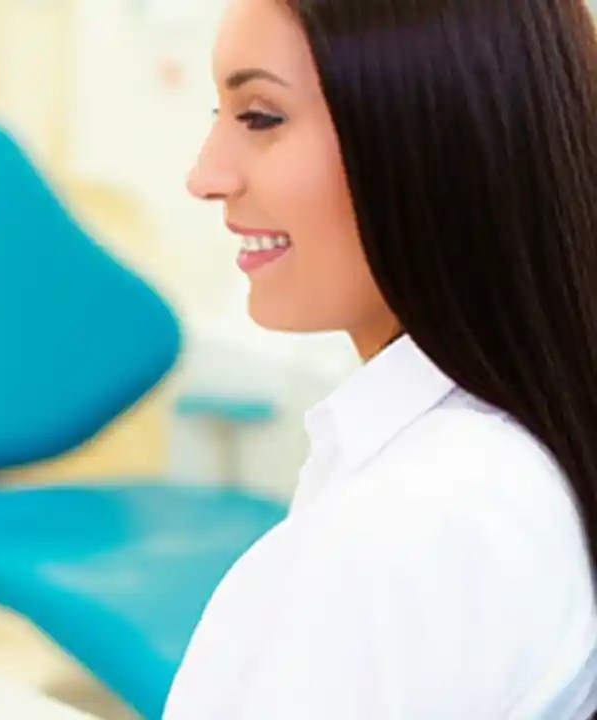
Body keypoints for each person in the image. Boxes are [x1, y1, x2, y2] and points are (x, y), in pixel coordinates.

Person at [168, 0, 597, 717]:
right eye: (220, 113)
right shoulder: (500, 466)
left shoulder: (411, 532)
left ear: (435, 135)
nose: (206, 175)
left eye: (261, 117)